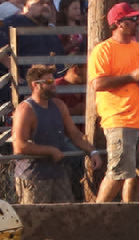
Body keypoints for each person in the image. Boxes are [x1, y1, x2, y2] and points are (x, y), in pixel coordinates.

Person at [88, 1, 139, 203]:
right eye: (133, 19)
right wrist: (131, 77)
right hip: (119, 119)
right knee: (118, 173)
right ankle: (97, 214)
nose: (138, 22)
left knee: (137, 175)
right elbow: (97, 83)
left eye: (138, 18)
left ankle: (130, 214)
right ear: (119, 23)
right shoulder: (103, 50)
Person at [10, 64, 87, 204]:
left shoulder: (59, 105)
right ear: (35, 85)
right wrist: (51, 150)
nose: (54, 85)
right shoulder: (25, 110)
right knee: (35, 216)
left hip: (59, 173)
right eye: (49, 81)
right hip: (34, 176)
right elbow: (19, 146)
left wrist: (93, 152)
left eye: (53, 80)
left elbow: (75, 134)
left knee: (66, 213)